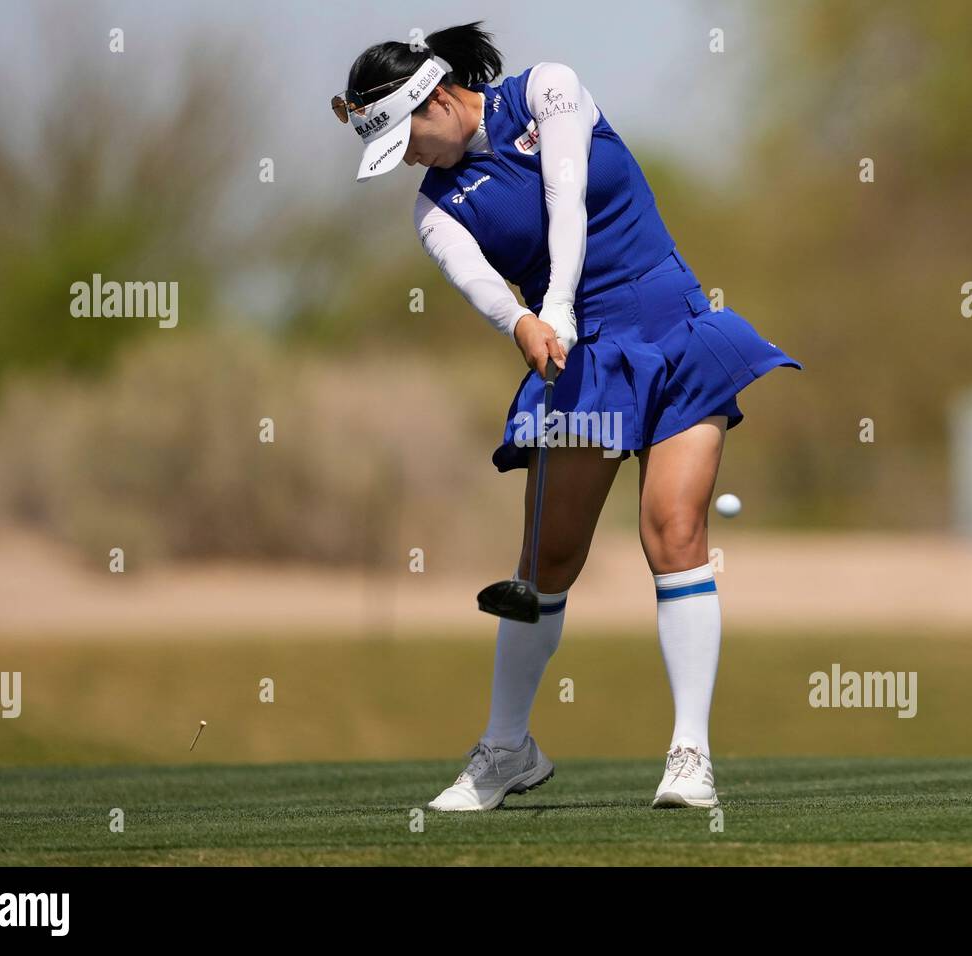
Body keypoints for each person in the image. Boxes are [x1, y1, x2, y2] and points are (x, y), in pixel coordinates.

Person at [334, 21, 802, 810]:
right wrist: (520, 324)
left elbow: (566, 199)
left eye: (407, 140)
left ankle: (691, 755)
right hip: (580, 362)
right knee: (548, 562)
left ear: (441, 97)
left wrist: (550, 305)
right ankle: (507, 749)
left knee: (675, 530)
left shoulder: (548, 87)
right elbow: (480, 284)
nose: (407, 161)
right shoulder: (435, 208)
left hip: (674, 328)